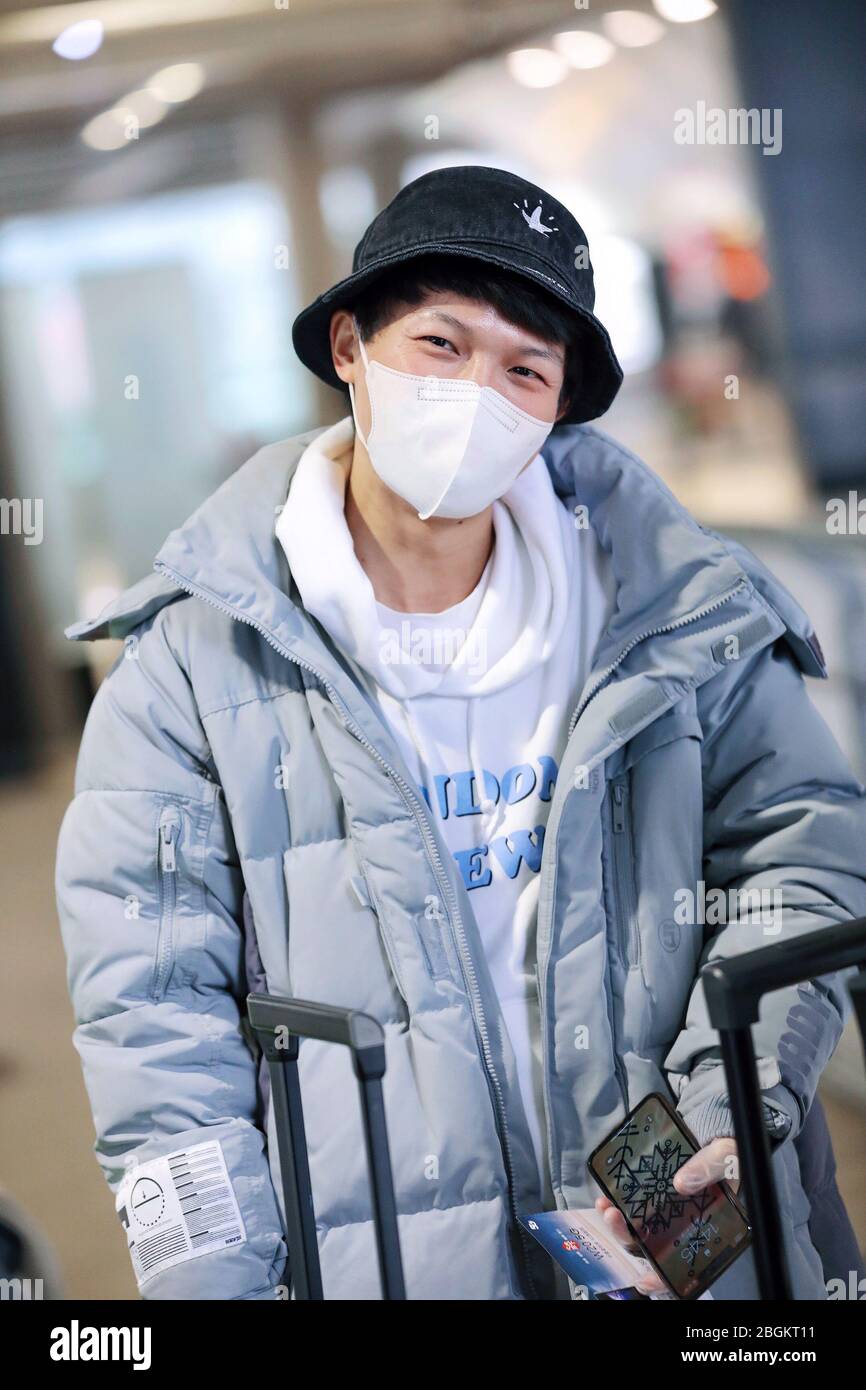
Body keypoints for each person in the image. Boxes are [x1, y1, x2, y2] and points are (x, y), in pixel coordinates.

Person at [56, 166, 866, 1300]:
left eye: (523, 369)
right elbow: (153, 1021)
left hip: (672, 1223)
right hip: (385, 1253)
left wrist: (722, 1111)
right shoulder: (191, 669)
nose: (478, 392)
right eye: (441, 345)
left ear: (555, 409)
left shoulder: (679, 617)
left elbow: (801, 848)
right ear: (349, 345)